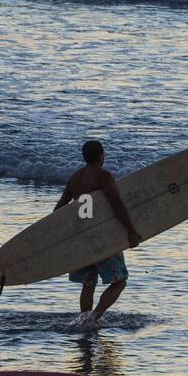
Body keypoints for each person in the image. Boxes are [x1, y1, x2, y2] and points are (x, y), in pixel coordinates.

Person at [55, 140, 142, 328]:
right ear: (101, 156)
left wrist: (60, 238)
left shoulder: (75, 178)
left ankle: (85, 320)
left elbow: (59, 210)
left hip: (82, 237)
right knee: (119, 281)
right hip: (103, 236)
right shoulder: (103, 176)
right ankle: (95, 316)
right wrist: (131, 230)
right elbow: (116, 204)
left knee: (88, 283)